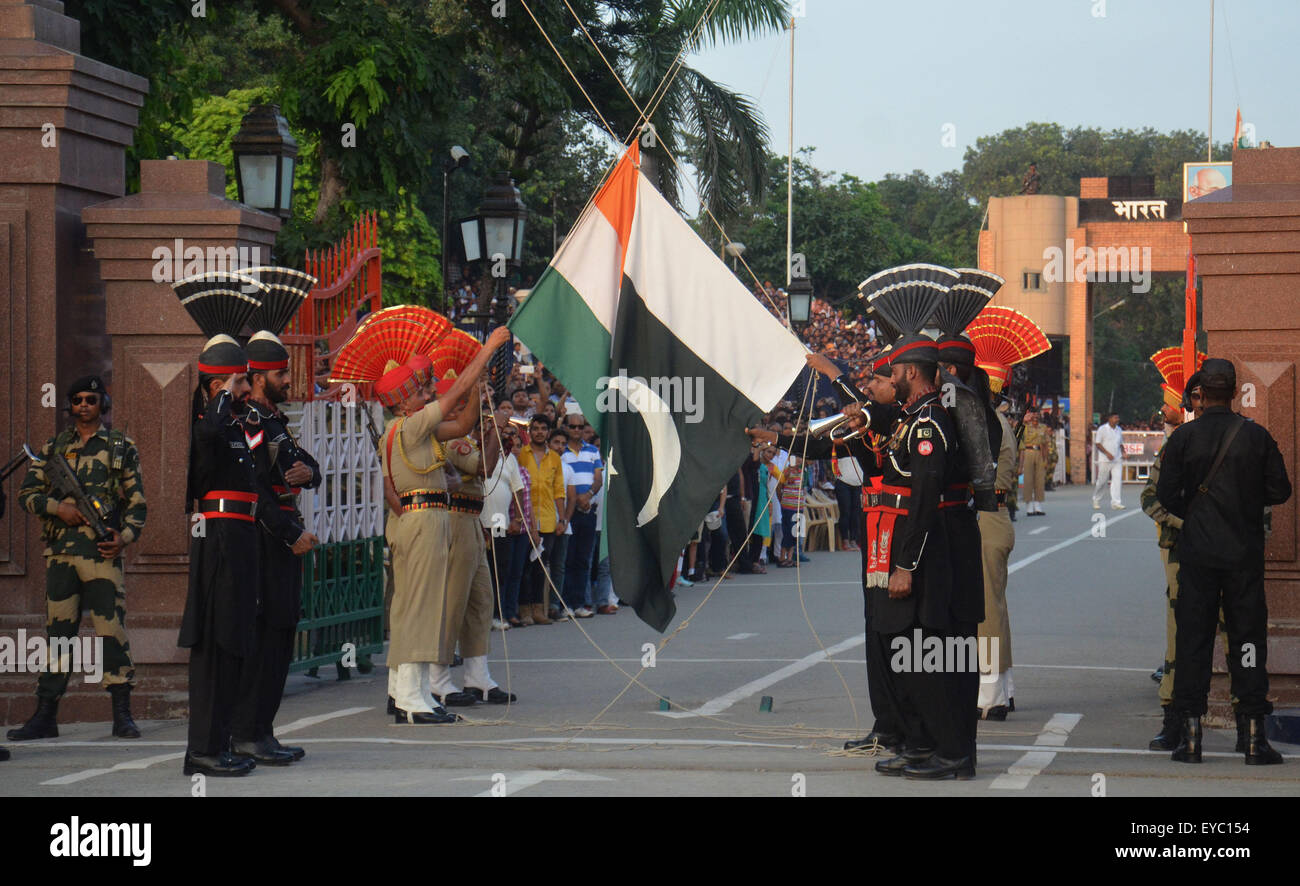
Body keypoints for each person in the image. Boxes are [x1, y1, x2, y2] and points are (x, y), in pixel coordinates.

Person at [1156, 358, 1291, 765]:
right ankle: (1253, 736)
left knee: (1193, 642)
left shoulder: (1183, 438)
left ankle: (1190, 736)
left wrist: (1196, 514)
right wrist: (1244, 503)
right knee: (1247, 643)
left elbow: (1165, 495)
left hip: (1196, 555)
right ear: (1234, 392)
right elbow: (1280, 490)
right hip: (1242, 556)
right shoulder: (1256, 437)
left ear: (1202, 394)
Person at [380, 326, 511, 723]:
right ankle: (409, 696)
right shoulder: (409, 426)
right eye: (420, 393)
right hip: (423, 517)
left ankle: (415, 692)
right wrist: (486, 350)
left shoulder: (413, 427)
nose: (428, 397)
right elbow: (454, 399)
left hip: (430, 517)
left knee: (420, 607)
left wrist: (478, 390)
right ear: (404, 402)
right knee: (419, 608)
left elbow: (464, 418)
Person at [8, 376, 148, 743]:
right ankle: (45, 715)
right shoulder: (53, 447)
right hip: (61, 555)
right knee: (58, 637)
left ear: (103, 402)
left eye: (91, 398)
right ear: (69, 406)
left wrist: (124, 538)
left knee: (111, 634)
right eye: (77, 399)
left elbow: (137, 503)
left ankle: (122, 714)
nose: (84, 404)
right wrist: (60, 508)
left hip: (102, 555)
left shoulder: (120, 446)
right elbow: (27, 494)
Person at [228, 331, 321, 765]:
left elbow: (307, 465)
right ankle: (247, 733)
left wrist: (308, 473)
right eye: (281, 372)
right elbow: (253, 491)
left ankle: (262, 731)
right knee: (266, 638)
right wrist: (288, 533)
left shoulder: (274, 420)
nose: (288, 379)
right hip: (263, 543)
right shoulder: (247, 422)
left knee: (282, 636)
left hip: (282, 544)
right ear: (259, 376)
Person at [178, 338, 269, 775]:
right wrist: (220, 394)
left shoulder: (234, 424)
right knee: (215, 644)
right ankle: (201, 751)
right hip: (216, 535)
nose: (247, 390)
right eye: (239, 382)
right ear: (217, 385)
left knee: (234, 640)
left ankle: (220, 742)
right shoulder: (205, 421)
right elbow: (208, 435)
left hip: (241, 535)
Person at [440, 382, 516, 705]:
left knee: (481, 600)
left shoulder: (466, 438)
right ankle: (438, 677)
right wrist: (494, 432)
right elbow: (484, 467)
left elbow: (486, 466)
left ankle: (476, 674)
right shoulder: (452, 439)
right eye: (468, 404)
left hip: (472, 520)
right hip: (456, 521)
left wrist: (494, 440)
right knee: (453, 602)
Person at [1141, 374, 1201, 750]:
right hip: (1192, 549)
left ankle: (1186, 726)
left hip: (1201, 550)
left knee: (1194, 635)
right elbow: (1152, 497)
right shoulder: (1179, 444)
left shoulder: (1244, 438)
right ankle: (1180, 720)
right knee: (1183, 634)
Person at [516, 414, 566, 624]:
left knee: (541, 567)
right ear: (529, 431)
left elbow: (558, 490)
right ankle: (523, 610)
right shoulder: (522, 455)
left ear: (548, 431)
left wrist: (562, 519)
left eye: (543, 429)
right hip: (525, 520)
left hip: (546, 520)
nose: (539, 432)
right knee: (523, 568)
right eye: (535, 428)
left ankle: (538, 610)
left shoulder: (554, 457)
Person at [560, 413, 603, 616]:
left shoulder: (593, 451)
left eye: (580, 427)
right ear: (566, 427)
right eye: (573, 427)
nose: (577, 430)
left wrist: (587, 496)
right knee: (567, 558)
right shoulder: (561, 452)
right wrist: (576, 499)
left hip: (588, 510)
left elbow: (598, 479)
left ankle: (579, 603)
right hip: (569, 512)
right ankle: (565, 603)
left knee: (583, 559)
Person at [1018, 410, 1053, 515]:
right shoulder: (1026, 427)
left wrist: (1046, 459)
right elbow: (1021, 441)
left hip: (1039, 453)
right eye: (1033, 415)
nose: (1035, 418)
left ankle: (1038, 506)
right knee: (1028, 479)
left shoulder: (1043, 428)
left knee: (1039, 480)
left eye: (1037, 415)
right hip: (1028, 452)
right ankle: (1029, 506)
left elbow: (1046, 444)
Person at [1092, 412, 1125, 510]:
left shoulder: (1119, 429)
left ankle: (1116, 502)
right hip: (1105, 459)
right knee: (1102, 481)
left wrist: (1124, 452)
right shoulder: (1102, 429)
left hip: (1117, 459)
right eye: (1115, 418)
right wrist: (1107, 453)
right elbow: (1098, 444)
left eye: (1118, 418)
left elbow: (1121, 443)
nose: (1117, 419)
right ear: (1109, 419)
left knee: (1117, 480)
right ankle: (1096, 499)